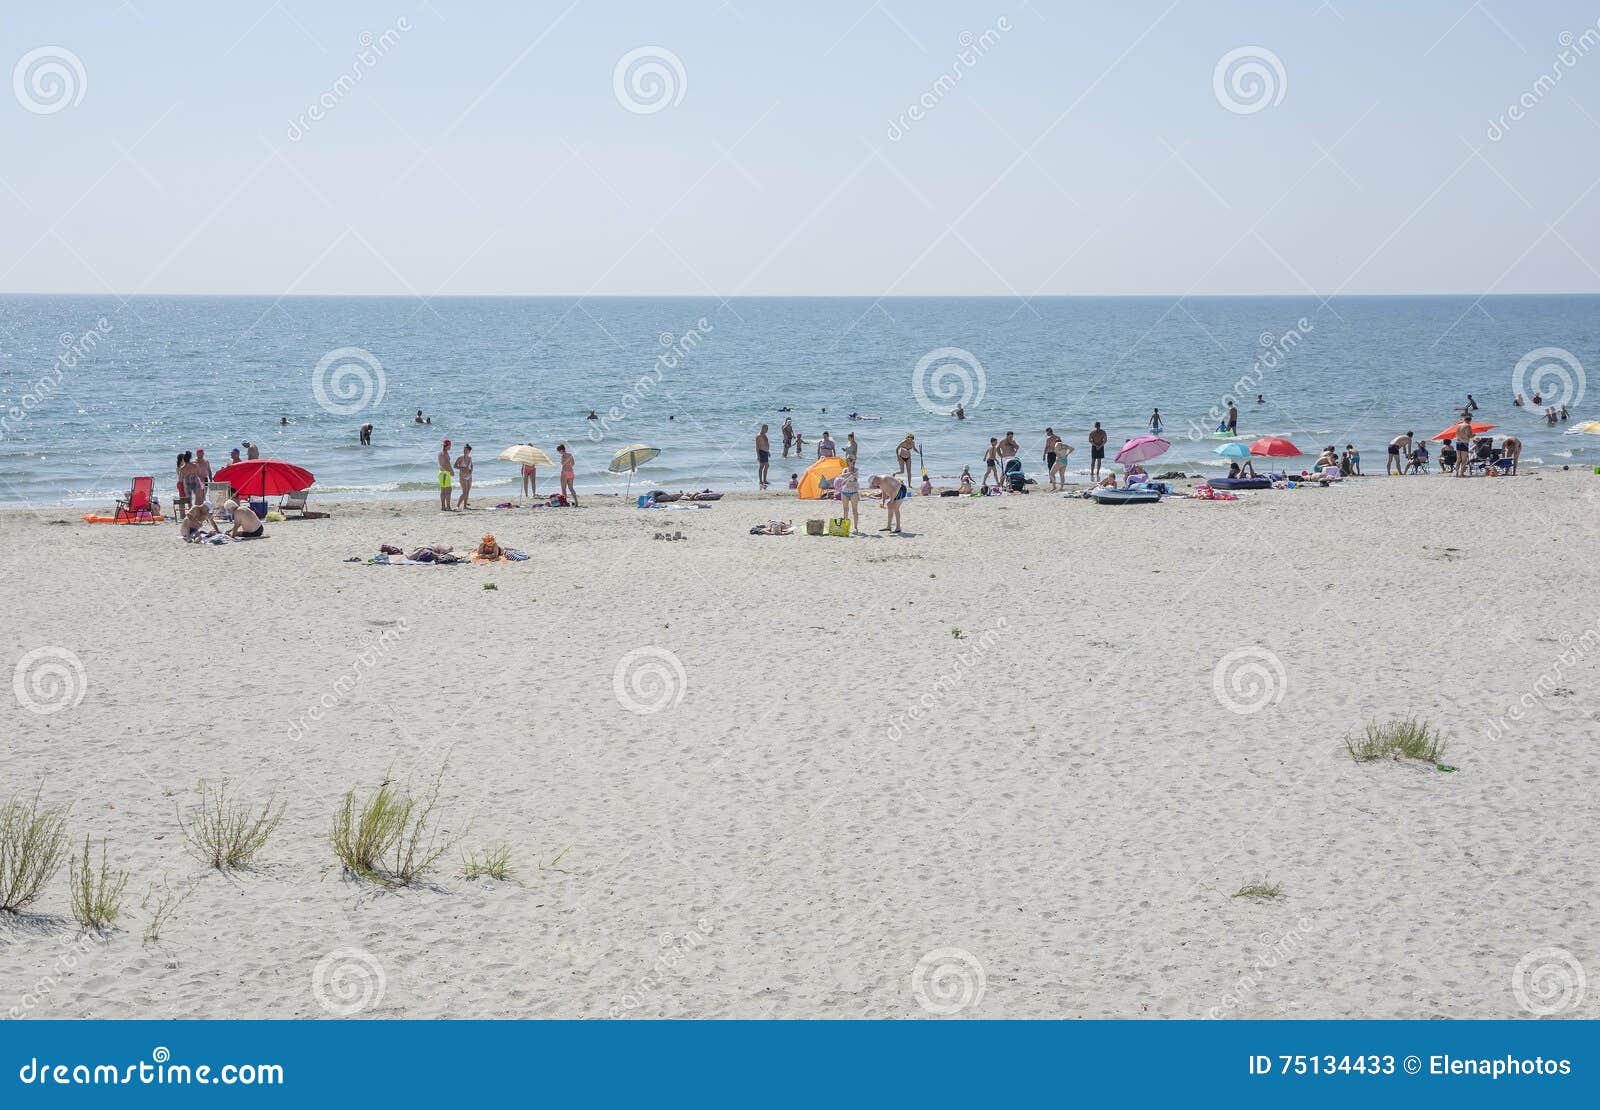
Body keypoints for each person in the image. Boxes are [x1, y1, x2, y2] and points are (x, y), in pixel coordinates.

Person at [836, 460, 860, 533]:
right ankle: (845, 527)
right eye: (848, 460)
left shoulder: (856, 470)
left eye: (850, 460)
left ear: (853, 461)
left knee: (854, 510)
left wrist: (849, 474)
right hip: (845, 491)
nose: (848, 462)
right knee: (845, 510)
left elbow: (854, 476)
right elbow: (842, 476)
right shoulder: (845, 469)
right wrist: (849, 473)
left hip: (854, 491)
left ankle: (855, 528)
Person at [454, 444, 474, 508]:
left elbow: (472, 465)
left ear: (469, 451)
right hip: (462, 477)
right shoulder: (460, 458)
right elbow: (455, 466)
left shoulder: (470, 458)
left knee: (467, 492)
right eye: (464, 450)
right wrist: (462, 468)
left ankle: (465, 506)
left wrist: (471, 471)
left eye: (466, 450)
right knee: (464, 492)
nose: (465, 451)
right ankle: (457, 506)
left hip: (469, 476)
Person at [437, 439, 454, 511]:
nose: (450, 447)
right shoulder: (445, 453)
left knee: (443, 490)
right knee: (448, 490)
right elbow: (447, 463)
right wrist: (451, 471)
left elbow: (441, 464)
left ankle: (443, 506)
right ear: (447, 446)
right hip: (445, 473)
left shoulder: (440, 453)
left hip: (441, 473)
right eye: (450, 445)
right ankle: (448, 507)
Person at [756, 424, 771, 490]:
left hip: (765, 452)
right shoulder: (759, 436)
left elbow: (766, 444)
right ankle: (761, 480)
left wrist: (768, 452)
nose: (767, 430)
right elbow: (757, 446)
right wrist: (758, 456)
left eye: (767, 429)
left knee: (765, 466)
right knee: (763, 466)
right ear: (762, 428)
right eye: (766, 429)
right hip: (761, 452)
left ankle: (764, 480)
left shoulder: (764, 434)